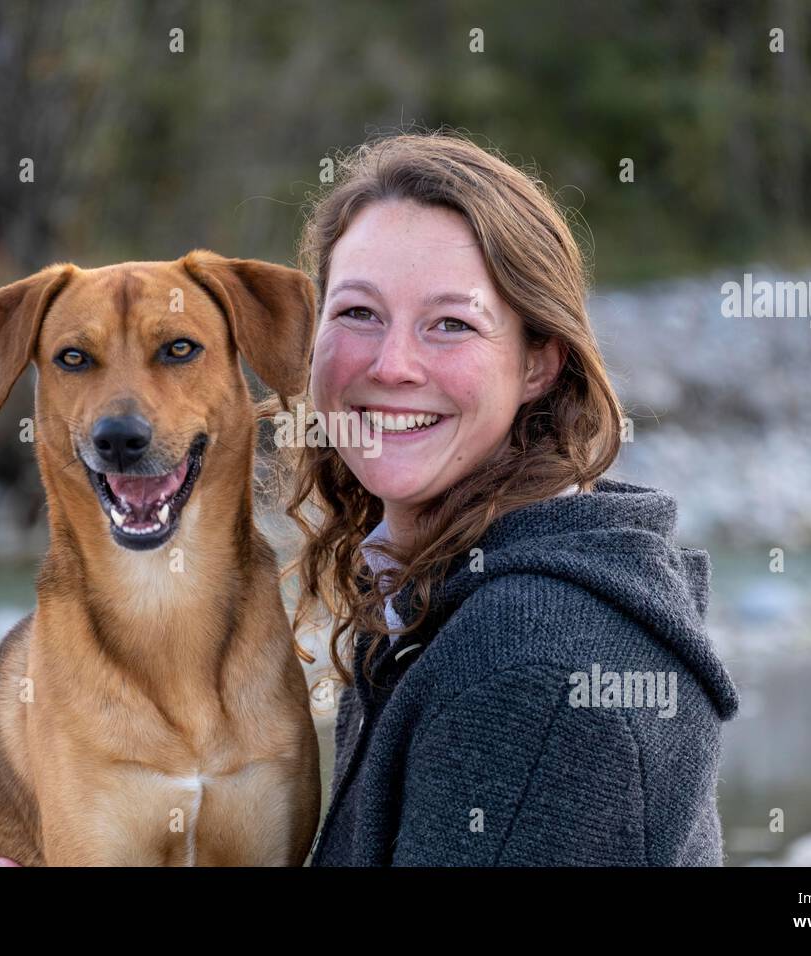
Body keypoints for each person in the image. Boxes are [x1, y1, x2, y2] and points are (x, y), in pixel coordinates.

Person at [278, 129, 740, 866]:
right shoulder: (430, 597)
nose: (391, 364)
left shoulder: (530, 673)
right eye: (358, 313)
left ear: (539, 362)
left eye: (451, 325)